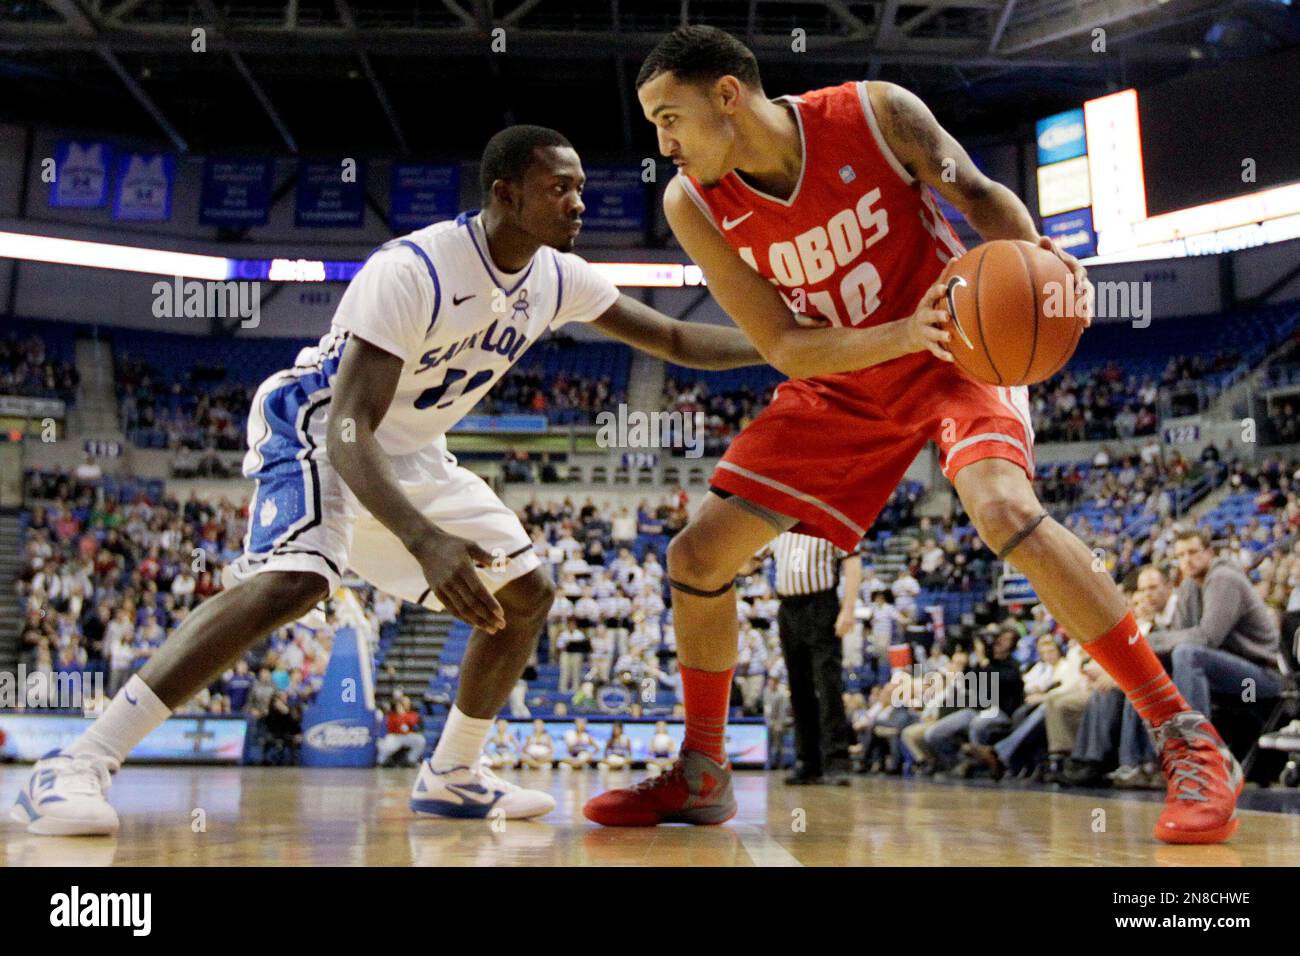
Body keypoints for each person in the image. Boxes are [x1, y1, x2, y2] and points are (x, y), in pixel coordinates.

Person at [585, 26, 1241, 845]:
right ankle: (704, 770)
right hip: (844, 368)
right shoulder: (692, 202)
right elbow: (784, 345)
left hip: (958, 347)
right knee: (695, 556)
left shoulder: (876, 113)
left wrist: (1034, 254)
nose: (663, 142)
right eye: (655, 125)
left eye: (669, 116)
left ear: (727, 94)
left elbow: (978, 199)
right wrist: (903, 333)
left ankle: (1185, 734)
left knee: (1003, 513)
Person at [14, 124, 764, 836]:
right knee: (297, 580)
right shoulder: (415, 269)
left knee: (526, 592)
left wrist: (786, 347)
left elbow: (669, 337)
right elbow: (347, 426)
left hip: (409, 448)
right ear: (506, 194)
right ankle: (76, 762)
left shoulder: (558, 278)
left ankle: (453, 773)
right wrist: (423, 537)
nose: (578, 203)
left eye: (579, 190)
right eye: (559, 189)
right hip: (317, 424)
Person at [768, 532, 860, 785]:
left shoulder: (828, 520)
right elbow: (751, 560)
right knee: (799, 688)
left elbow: (852, 560)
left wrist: (848, 608)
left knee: (828, 685)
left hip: (821, 605)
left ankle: (836, 761)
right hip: (788, 608)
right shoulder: (779, 525)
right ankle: (807, 762)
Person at [376, 696, 426, 767]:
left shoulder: (413, 714)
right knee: (385, 746)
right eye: (404, 703)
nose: (406, 704)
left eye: (408, 703)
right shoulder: (392, 715)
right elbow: (390, 726)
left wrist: (403, 715)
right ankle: (381, 761)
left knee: (420, 740)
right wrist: (399, 715)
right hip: (395, 736)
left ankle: (410, 760)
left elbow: (413, 724)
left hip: (407, 736)